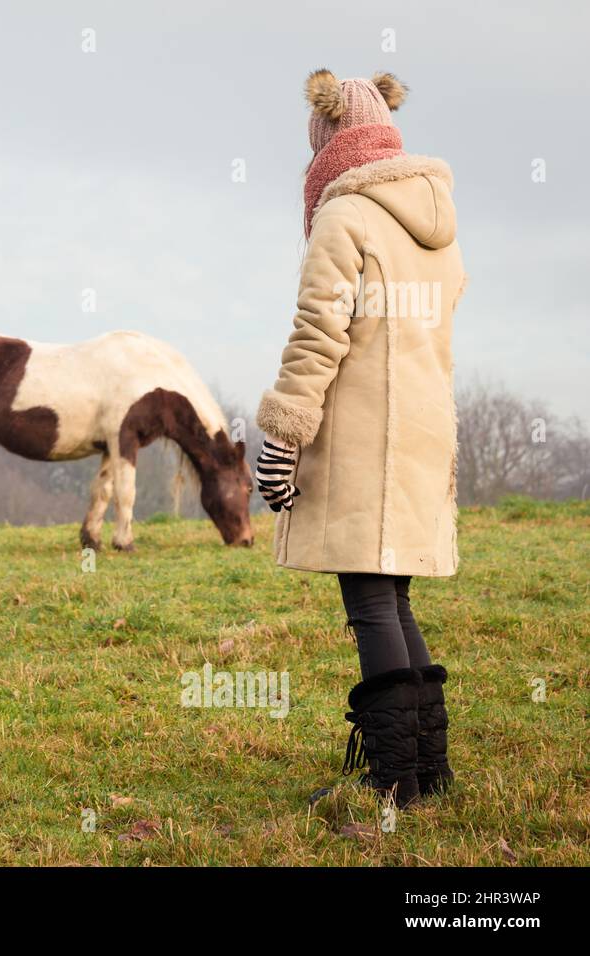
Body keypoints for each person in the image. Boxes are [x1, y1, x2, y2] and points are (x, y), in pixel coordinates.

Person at [254, 69, 466, 808]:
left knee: (371, 605)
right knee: (394, 600)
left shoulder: (345, 218)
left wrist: (282, 438)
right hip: (421, 435)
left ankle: (391, 789)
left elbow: (318, 337)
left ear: (327, 140)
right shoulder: (436, 225)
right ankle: (426, 773)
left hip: (363, 440)